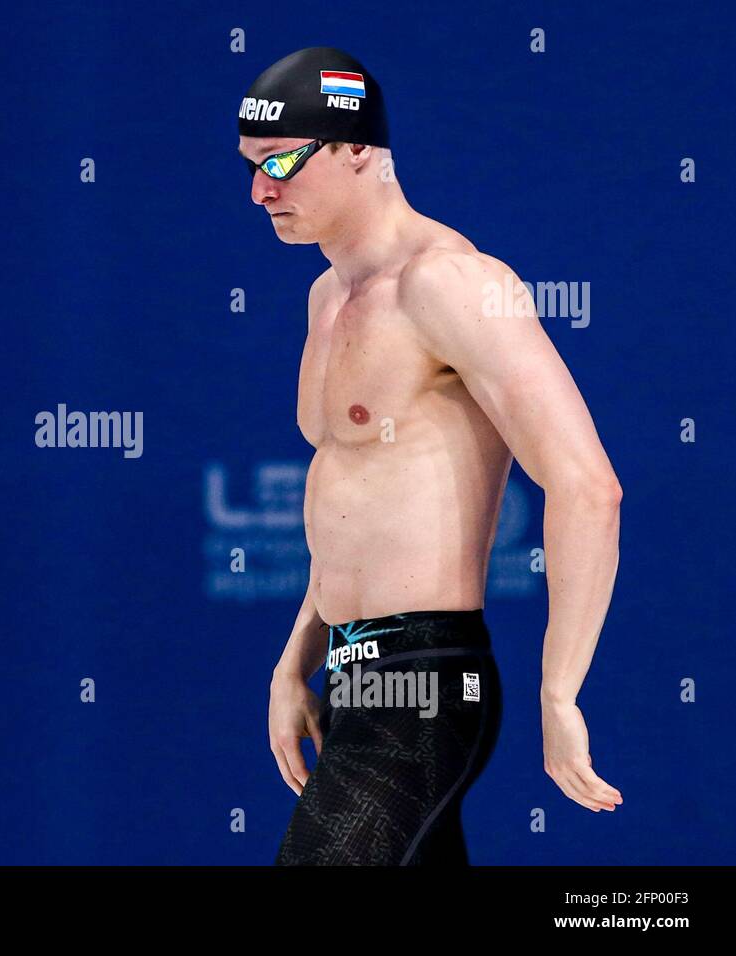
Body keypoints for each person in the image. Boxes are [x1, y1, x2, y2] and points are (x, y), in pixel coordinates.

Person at [238, 47, 624, 865]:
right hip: (353, 675)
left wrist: (560, 691)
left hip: (422, 684)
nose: (260, 191)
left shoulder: (450, 284)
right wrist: (296, 660)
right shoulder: (326, 295)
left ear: (356, 149)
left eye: (279, 162)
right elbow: (354, 505)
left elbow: (588, 484)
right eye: (250, 165)